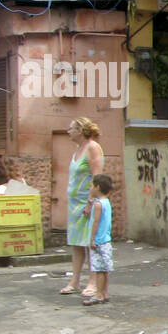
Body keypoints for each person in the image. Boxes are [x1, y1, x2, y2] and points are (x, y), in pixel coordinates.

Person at [62, 117, 105, 297]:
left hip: (87, 203)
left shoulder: (92, 147)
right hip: (74, 205)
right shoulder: (77, 150)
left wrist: (90, 202)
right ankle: (75, 281)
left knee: (90, 243)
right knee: (77, 243)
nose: (68, 131)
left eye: (71, 128)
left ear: (81, 130)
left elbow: (97, 177)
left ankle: (92, 282)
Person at [82, 174, 113, 306]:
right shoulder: (107, 202)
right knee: (104, 269)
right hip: (106, 239)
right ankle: (105, 292)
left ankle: (99, 294)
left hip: (99, 240)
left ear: (98, 187)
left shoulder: (98, 204)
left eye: (92, 186)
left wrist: (92, 239)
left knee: (99, 269)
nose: (90, 188)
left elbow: (96, 222)